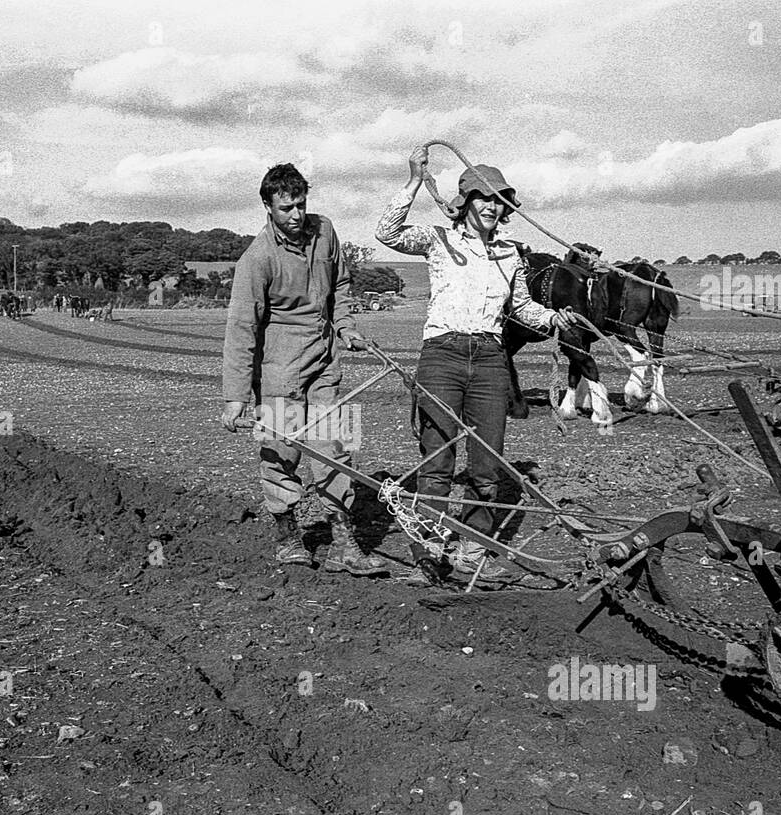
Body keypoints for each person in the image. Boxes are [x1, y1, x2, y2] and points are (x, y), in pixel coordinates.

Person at [375, 146, 579, 583]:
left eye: (498, 201)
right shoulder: (438, 240)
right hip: (442, 356)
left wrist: (554, 318)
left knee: (488, 464)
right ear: (465, 202)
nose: (492, 206)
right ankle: (430, 552)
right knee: (437, 461)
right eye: (484, 198)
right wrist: (414, 179)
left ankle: (472, 552)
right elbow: (386, 233)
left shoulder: (510, 255)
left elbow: (521, 308)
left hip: (490, 359)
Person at [221, 162, 383, 575]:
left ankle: (344, 545)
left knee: (336, 448)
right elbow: (241, 330)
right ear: (267, 207)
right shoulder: (256, 259)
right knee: (282, 454)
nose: (296, 216)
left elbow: (341, 286)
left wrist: (346, 327)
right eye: (286, 208)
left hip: (325, 364)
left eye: (301, 205)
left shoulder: (325, 230)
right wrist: (236, 397)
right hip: (280, 371)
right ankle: (288, 538)